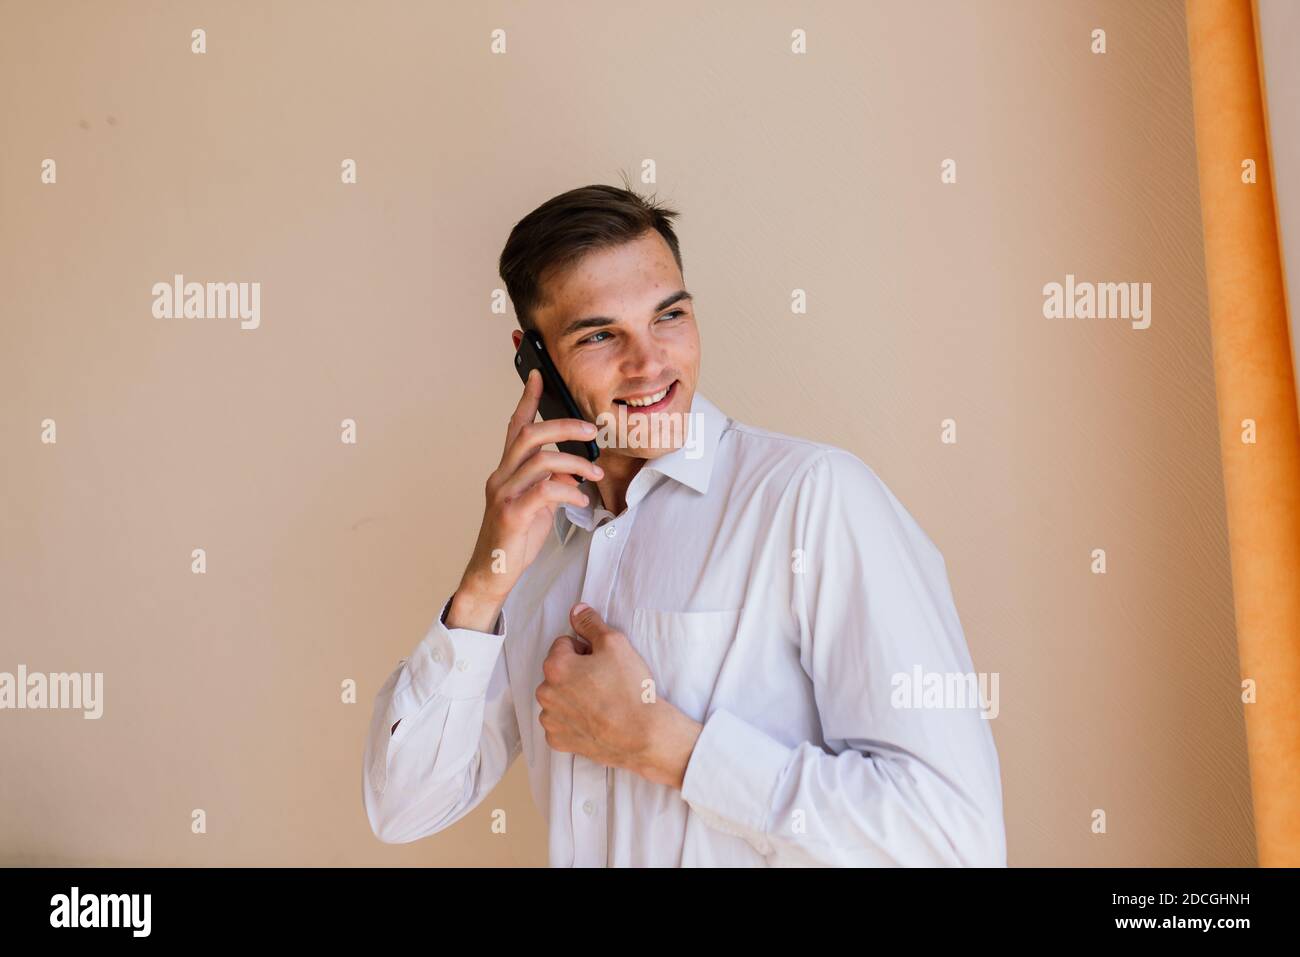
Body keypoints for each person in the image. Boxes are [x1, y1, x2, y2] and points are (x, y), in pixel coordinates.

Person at [362, 182, 1007, 866]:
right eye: (601, 334)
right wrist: (484, 585)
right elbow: (404, 807)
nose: (650, 364)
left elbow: (953, 840)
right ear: (534, 360)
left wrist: (667, 747)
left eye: (668, 316)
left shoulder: (813, 500)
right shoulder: (533, 548)